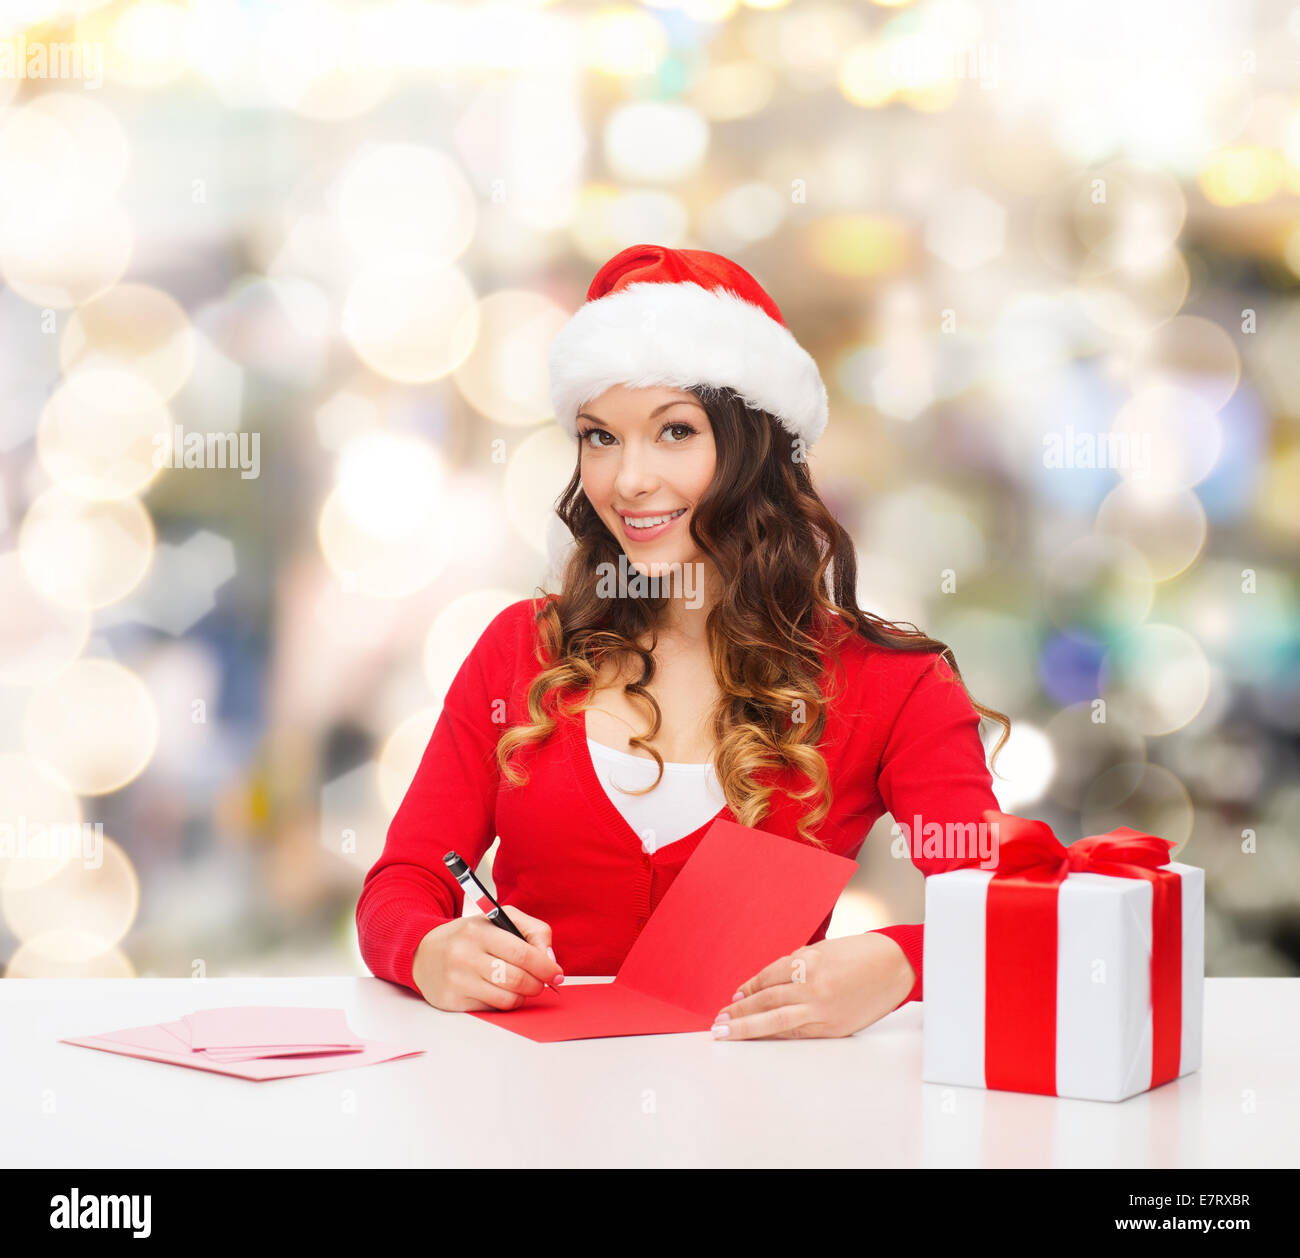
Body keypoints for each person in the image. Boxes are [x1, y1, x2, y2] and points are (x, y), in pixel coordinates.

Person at [357, 244, 1009, 1040]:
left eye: (674, 432)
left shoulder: (895, 686)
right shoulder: (519, 650)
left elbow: (998, 905)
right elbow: (402, 883)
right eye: (600, 437)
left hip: (763, 1130)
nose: (627, 480)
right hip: (531, 1125)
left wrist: (904, 961)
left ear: (757, 449)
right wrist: (430, 950)